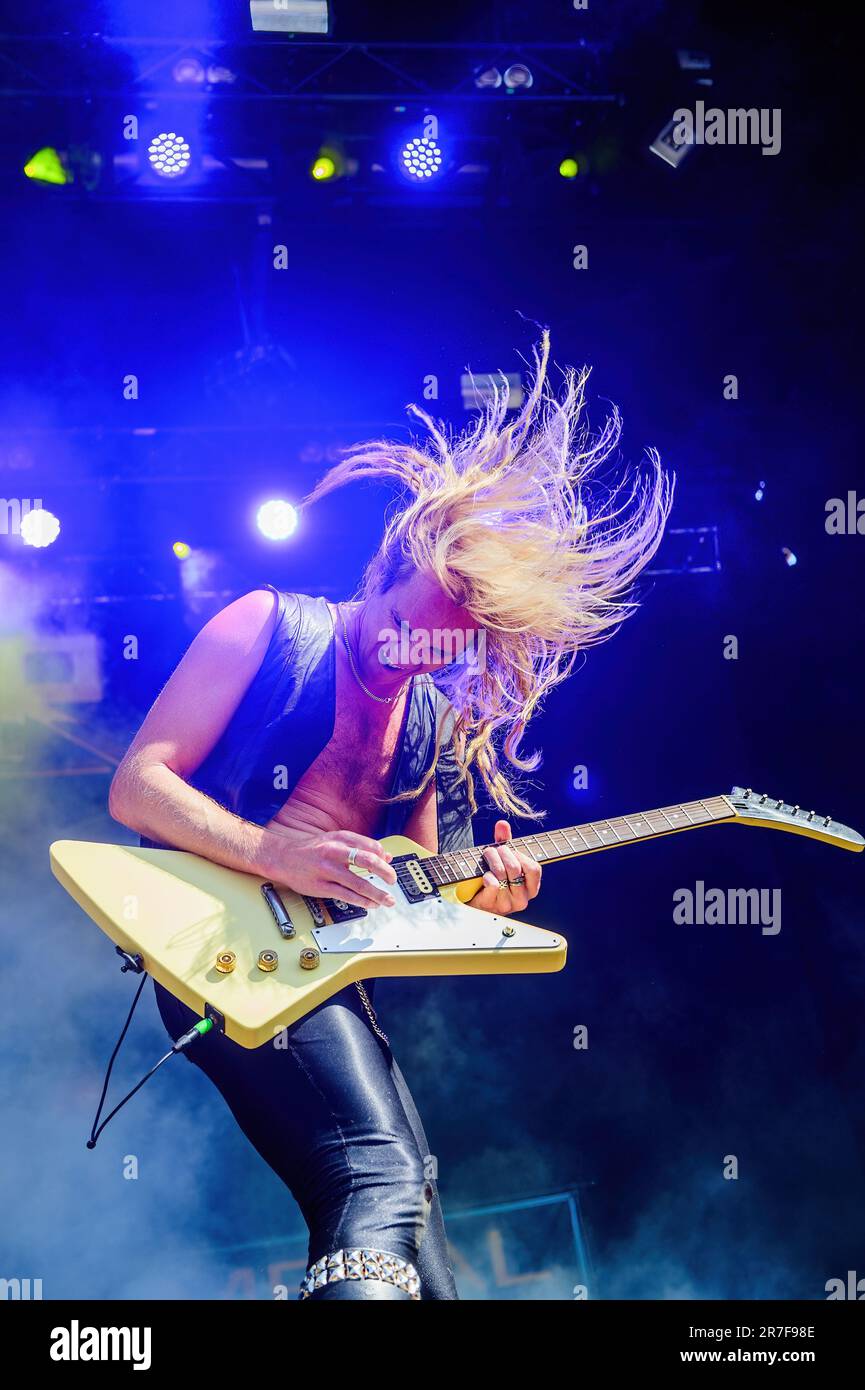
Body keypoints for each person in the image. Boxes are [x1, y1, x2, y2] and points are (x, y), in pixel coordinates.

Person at [108, 330, 672, 1300]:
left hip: (325, 978)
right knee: (376, 1173)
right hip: (216, 948)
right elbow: (137, 786)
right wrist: (271, 850)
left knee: (424, 1239)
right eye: (424, 617)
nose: (424, 650)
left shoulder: (428, 728)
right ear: (387, 569)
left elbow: (414, 906)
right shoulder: (266, 627)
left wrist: (491, 901)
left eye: (451, 641)